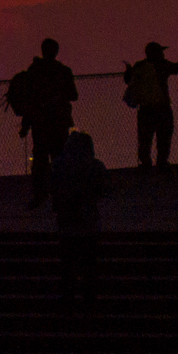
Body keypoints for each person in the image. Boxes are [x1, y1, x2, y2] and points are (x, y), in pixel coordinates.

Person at [6, 37, 78, 204]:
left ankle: (40, 194)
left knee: (40, 159)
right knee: (59, 158)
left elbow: (29, 100)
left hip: (40, 122)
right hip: (59, 121)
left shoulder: (33, 72)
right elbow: (73, 95)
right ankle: (61, 192)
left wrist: (26, 124)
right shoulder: (63, 71)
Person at [52, 128, 106, 306]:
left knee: (68, 265)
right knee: (89, 265)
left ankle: (68, 299)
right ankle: (89, 299)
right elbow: (104, 190)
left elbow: (52, 189)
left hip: (67, 222)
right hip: (88, 221)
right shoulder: (95, 166)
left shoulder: (59, 165)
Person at [121, 40, 178, 171]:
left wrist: (128, 69)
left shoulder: (140, 66)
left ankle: (146, 164)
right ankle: (162, 163)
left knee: (145, 138)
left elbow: (128, 80)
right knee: (164, 137)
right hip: (162, 107)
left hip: (145, 108)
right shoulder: (162, 65)